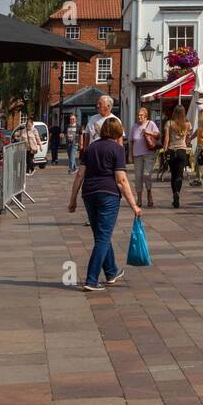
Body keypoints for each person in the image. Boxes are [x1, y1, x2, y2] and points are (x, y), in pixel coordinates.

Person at [68, 114, 141, 291]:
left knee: (101, 234)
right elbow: (121, 180)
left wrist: (73, 200)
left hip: (89, 194)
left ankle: (111, 271)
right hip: (108, 194)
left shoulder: (91, 148)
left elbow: (79, 174)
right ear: (117, 132)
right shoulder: (117, 150)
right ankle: (91, 279)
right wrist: (134, 205)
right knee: (102, 236)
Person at [128, 107, 159, 209]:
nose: (139, 117)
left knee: (146, 174)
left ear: (146, 116)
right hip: (137, 155)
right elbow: (131, 142)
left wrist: (148, 132)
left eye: (141, 115)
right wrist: (130, 155)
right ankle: (139, 198)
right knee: (138, 177)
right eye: (138, 115)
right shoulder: (134, 127)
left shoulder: (151, 124)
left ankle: (149, 193)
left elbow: (158, 135)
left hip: (149, 153)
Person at [163, 105, 190, 208]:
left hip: (171, 150)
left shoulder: (169, 123)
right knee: (179, 175)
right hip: (182, 151)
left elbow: (166, 139)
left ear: (174, 112)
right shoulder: (187, 124)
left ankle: (174, 194)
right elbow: (188, 139)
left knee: (173, 175)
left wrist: (165, 152)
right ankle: (177, 192)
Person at [190, 97, 203, 186]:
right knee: (199, 160)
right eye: (197, 104)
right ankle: (199, 178)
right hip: (199, 141)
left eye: (200, 104)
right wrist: (191, 137)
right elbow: (199, 129)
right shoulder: (200, 113)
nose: (198, 105)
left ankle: (201, 179)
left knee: (200, 160)